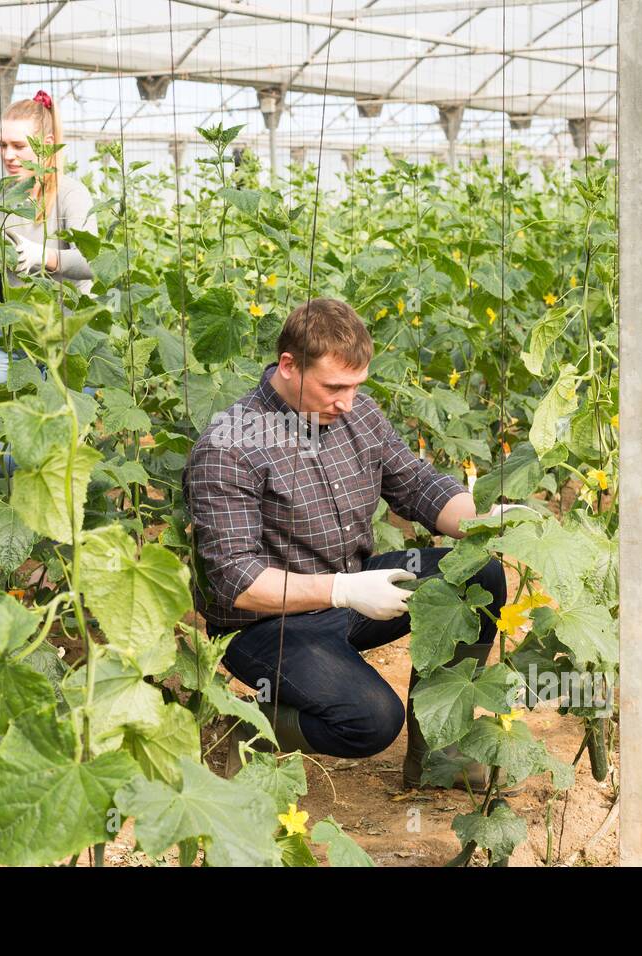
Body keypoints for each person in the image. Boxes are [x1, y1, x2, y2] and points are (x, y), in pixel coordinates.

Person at [182, 298, 511, 792]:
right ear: (288, 366)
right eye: (334, 387)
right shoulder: (229, 446)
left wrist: (488, 522)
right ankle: (245, 726)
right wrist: (343, 590)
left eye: (356, 386)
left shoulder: (357, 416)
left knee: (478, 575)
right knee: (371, 721)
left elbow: (416, 485)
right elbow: (236, 583)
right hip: (267, 626)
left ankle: (441, 755)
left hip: (356, 587)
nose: (348, 403)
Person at [0, 90, 96, 386]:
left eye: (18, 146)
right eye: (2, 145)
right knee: (4, 409)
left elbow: (92, 263)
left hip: (68, 337)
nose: (8, 155)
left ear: (47, 145)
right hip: (19, 337)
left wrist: (46, 257)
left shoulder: (70, 194)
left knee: (68, 421)